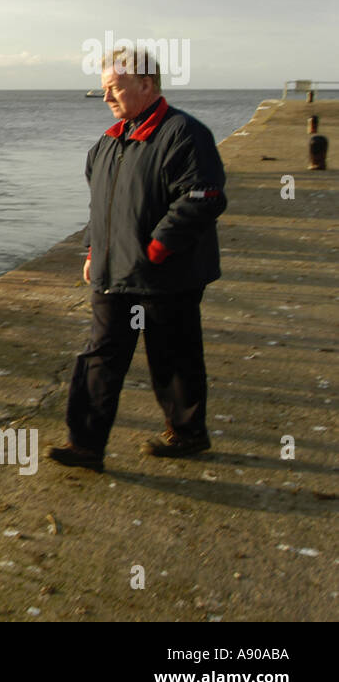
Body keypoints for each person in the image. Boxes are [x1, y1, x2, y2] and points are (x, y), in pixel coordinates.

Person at [47, 46, 227, 472]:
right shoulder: (107, 146)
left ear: (146, 85)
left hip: (169, 274)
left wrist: (157, 248)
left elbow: (204, 195)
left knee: (173, 355)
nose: (107, 97)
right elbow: (99, 208)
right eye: (104, 88)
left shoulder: (184, 133)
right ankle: (85, 445)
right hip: (114, 272)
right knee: (100, 355)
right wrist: (93, 250)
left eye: (115, 87)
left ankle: (187, 433)